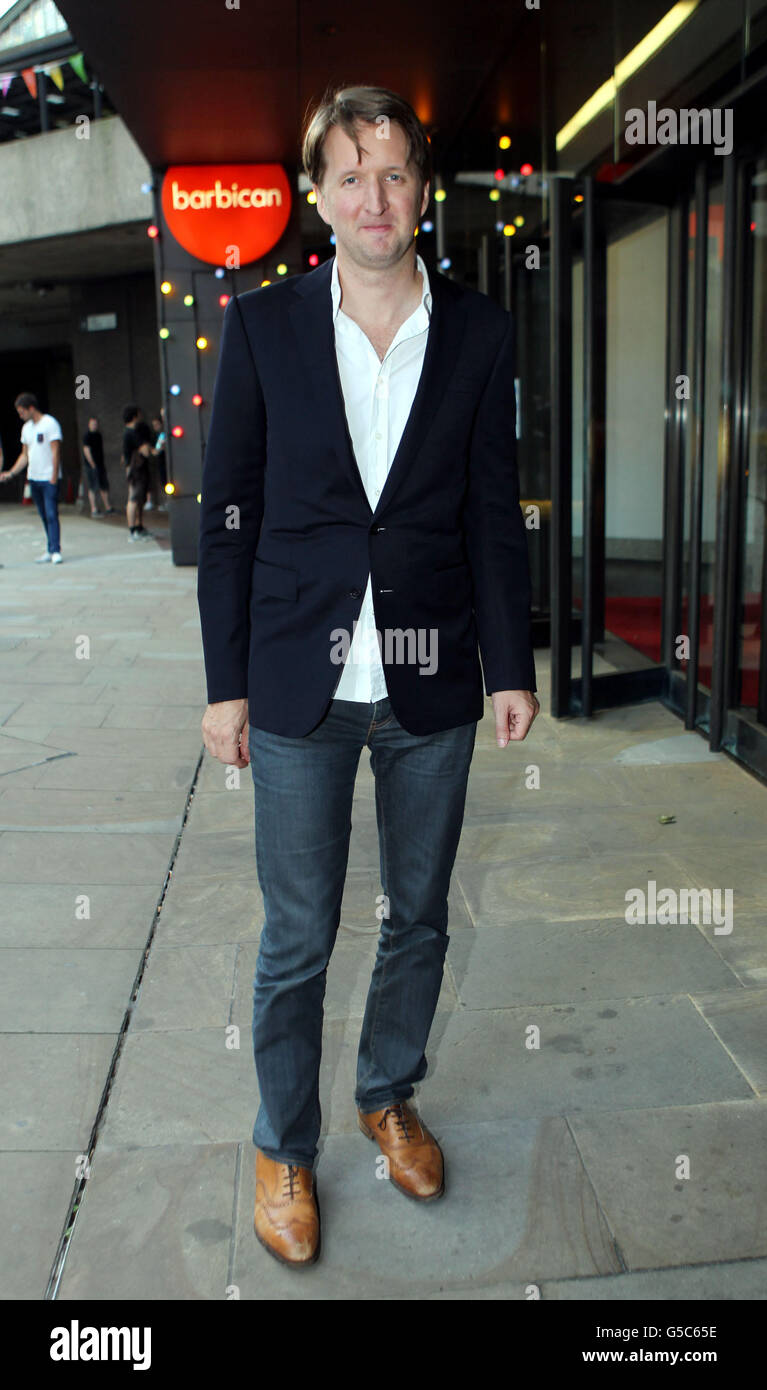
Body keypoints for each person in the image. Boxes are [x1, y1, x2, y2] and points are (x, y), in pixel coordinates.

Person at [197, 83, 539, 1270]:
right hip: (297, 677)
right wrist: (223, 682)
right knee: (296, 936)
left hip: (431, 675)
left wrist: (510, 662)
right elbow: (227, 516)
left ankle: (385, 1092)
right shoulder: (261, 326)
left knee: (419, 915)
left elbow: (494, 513)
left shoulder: (481, 331)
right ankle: (283, 1144)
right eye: (349, 174)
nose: (373, 195)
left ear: (419, 188)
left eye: (391, 171)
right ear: (316, 196)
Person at [0, 393, 64, 563]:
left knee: (51, 513)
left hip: (48, 477)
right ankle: (50, 549)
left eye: (22, 412)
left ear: (31, 408)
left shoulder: (50, 424)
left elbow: (55, 451)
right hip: (34, 477)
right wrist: (11, 473)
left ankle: (56, 550)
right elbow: (24, 456)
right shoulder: (26, 429)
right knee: (43, 514)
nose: (20, 416)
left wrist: (54, 476)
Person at [121, 406, 154, 541]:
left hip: (134, 469)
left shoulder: (128, 432)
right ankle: (133, 530)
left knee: (138, 499)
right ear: (135, 416)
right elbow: (145, 450)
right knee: (133, 499)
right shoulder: (131, 433)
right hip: (135, 470)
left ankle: (138, 526)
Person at [82, 415, 116, 517]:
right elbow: (86, 450)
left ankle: (108, 507)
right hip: (92, 466)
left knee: (103, 486)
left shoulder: (98, 435)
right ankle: (94, 509)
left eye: (95, 424)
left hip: (100, 464)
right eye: (92, 424)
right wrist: (92, 463)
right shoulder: (87, 436)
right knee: (93, 487)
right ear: (89, 425)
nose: (94, 426)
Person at [150, 412, 167, 510]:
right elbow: (155, 451)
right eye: (154, 425)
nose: (155, 427)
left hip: (165, 462)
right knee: (162, 482)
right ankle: (165, 502)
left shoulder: (163, 434)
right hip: (160, 462)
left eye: (157, 425)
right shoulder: (157, 435)